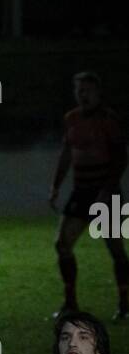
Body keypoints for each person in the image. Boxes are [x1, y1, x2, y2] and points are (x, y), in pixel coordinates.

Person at [49, 71, 128, 321]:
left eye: (87, 90)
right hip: (81, 191)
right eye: (78, 90)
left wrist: (107, 190)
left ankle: (125, 304)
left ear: (97, 93)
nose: (82, 94)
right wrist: (56, 186)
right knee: (62, 244)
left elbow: (120, 157)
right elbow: (66, 153)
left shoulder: (108, 119)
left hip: (106, 190)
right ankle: (70, 302)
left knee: (115, 249)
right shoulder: (71, 119)